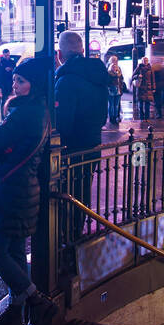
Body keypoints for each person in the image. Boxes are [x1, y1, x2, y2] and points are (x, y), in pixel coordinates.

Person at [0, 58, 57, 325]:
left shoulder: (23, 112)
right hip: (24, 189)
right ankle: (14, 314)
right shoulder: (40, 110)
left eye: (21, 81)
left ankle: (37, 301)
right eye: (15, 79)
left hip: (10, 191)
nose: (14, 83)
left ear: (33, 85)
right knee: (12, 251)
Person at [54, 30, 110, 231]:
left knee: (66, 195)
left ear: (60, 55)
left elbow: (63, 123)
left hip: (71, 148)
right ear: (83, 50)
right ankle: (76, 234)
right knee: (82, 192)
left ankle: (66, 238)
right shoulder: (97, 77)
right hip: (93, 143)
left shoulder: (65, 81)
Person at [105, 55, 126, 126]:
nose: (115, 62)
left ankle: (116, 116)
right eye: (114, 60)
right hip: (111, 90)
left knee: (116, 105)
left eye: (116, 60)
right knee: (111, 105)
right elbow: (107, 81)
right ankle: (112, 118)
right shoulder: (108, 70)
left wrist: (121, 86)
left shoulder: (119, 70)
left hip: (118, 90)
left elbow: (121, 79)